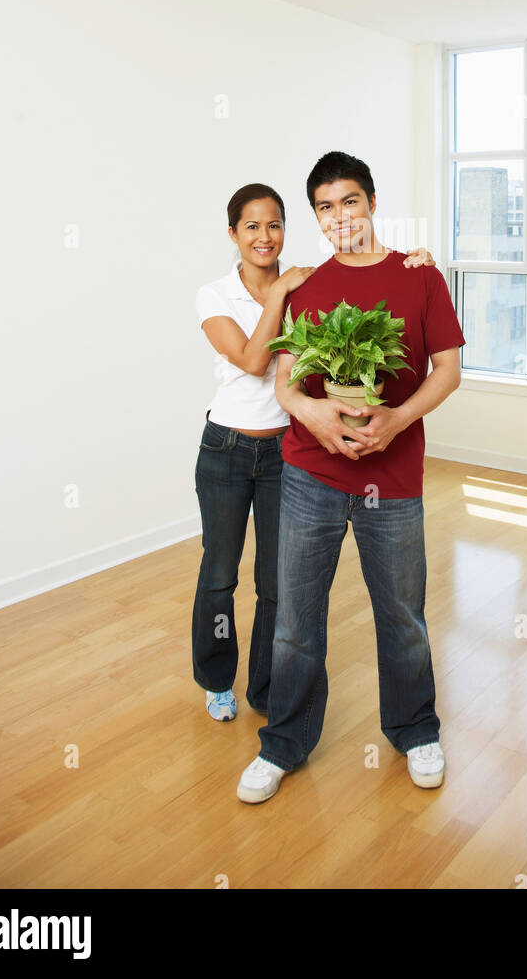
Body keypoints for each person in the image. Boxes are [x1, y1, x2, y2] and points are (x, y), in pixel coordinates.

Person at [237, 151, 465, 803]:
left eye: (350, 203)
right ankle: (283, 743)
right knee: (295, 620)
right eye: (326, 208)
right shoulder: (306, 285)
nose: (339, 217)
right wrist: (311, 410)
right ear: (317, 216)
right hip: (310, 473)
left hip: (391, 477)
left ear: (371, 203)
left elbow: (446, 371)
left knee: (402, 616)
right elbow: (284, 378)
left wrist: (395, 421)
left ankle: (415, 729)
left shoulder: (419, 277)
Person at [193, 181, 434, 724]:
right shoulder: (217, 295)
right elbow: (255, 362)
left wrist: (419, 262)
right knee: (219, 574)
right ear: (232, 234)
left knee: (278, 585)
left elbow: (370, 277)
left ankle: (266, 688)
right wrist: (279, 295)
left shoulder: (310, 282)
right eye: (251, 226)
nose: (264, 236)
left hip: (287, 454)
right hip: (228, 450)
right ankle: (215, 676)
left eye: (274, 224)